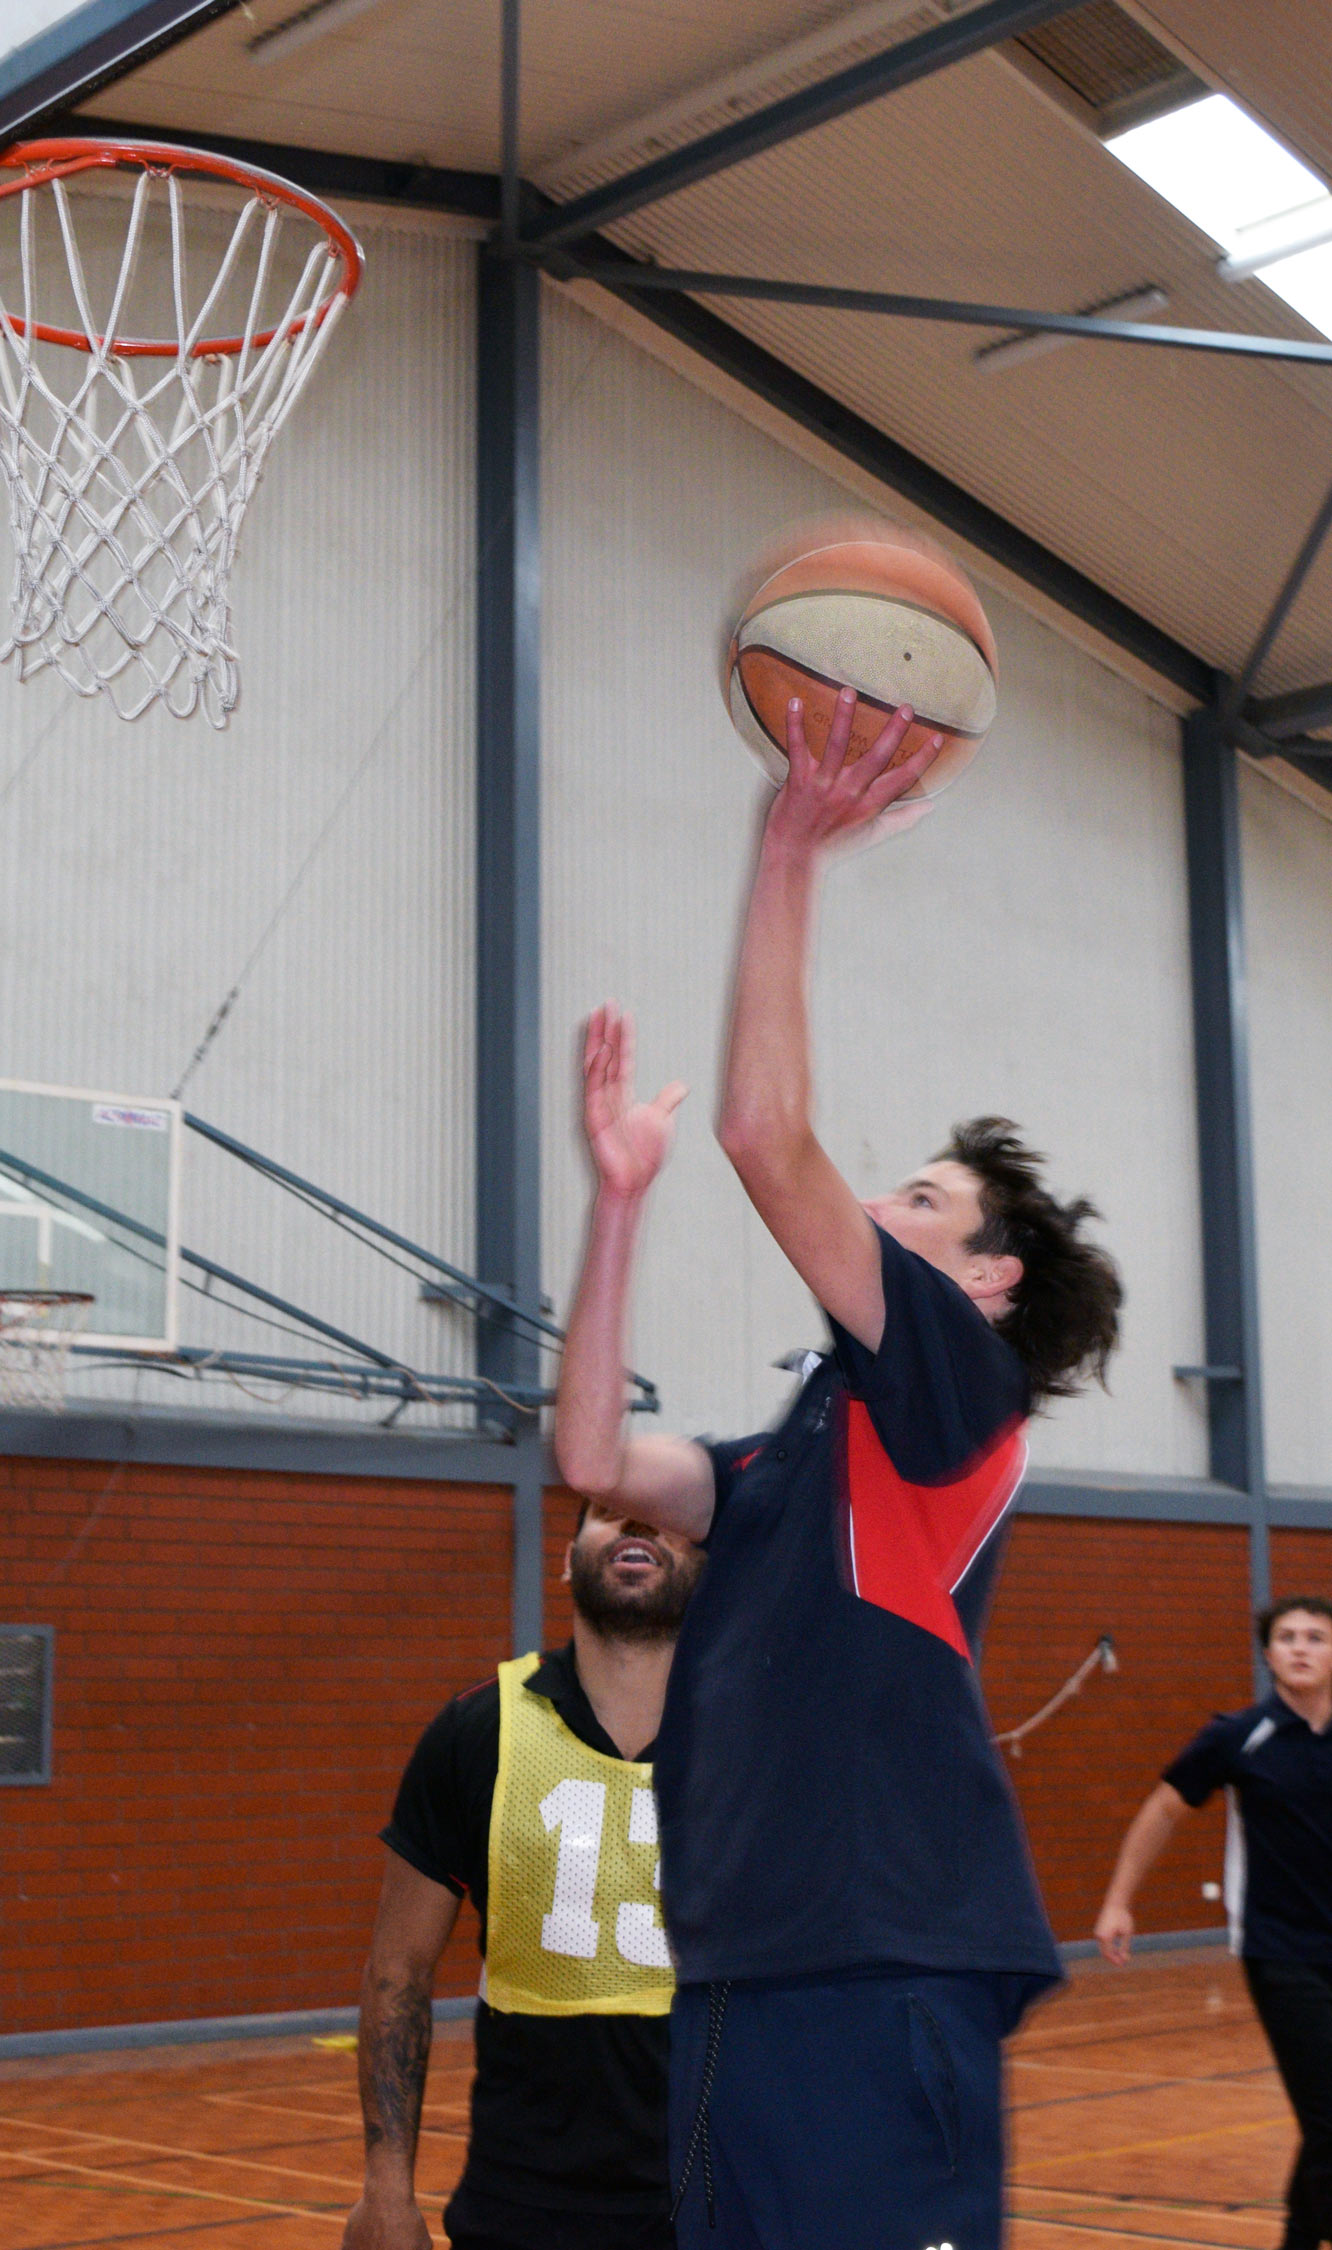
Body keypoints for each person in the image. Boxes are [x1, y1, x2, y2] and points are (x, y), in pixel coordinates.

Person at [553, 688, 1123, 2250]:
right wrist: (616, 1207)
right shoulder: (801, 1446)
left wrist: (789, 845)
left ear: (985, 1278)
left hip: (880, 1958)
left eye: (924, 1193)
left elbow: (762, 1127)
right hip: (740, 1959)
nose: (883, 1197)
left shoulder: (955, 1383)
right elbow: (593, 1453)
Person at [345, 1497, 707, 2250]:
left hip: (720, 2198)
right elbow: (398, 1971)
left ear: (710, 1569)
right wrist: (385, 2191)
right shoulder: (476, 1730)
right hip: (523, 2204)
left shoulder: (766, 1744)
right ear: (567, 1559)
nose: (636, 1527)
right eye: (609, 1513)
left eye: (667, 1518)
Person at [1095, 1596, 1332, 2250]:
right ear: (1268, 1653)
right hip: (1282, 1952)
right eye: (1287, 1637)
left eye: (1316, 1636)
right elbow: (1162, 1811)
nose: (1302, 1647)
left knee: (1324, 2129)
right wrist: (1120, 1899)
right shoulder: (1238, 1736)